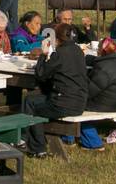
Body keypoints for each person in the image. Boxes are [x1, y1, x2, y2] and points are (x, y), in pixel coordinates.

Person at [20, 23, 87, 158]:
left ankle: (36, 146)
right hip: (79, 101)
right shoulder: (78, 51)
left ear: (56, 39)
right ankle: (30, 141)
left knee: (30, 103)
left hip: (64, 103)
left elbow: (41, 74)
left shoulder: (59, 54)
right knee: (34, 99)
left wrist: (44, 55)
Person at [85, 37, 116, 146]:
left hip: (107, 105)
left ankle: (82, 138)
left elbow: (89, 92)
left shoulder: (103, 67)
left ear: (103, 51)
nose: (97, 51)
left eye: (98, 49)